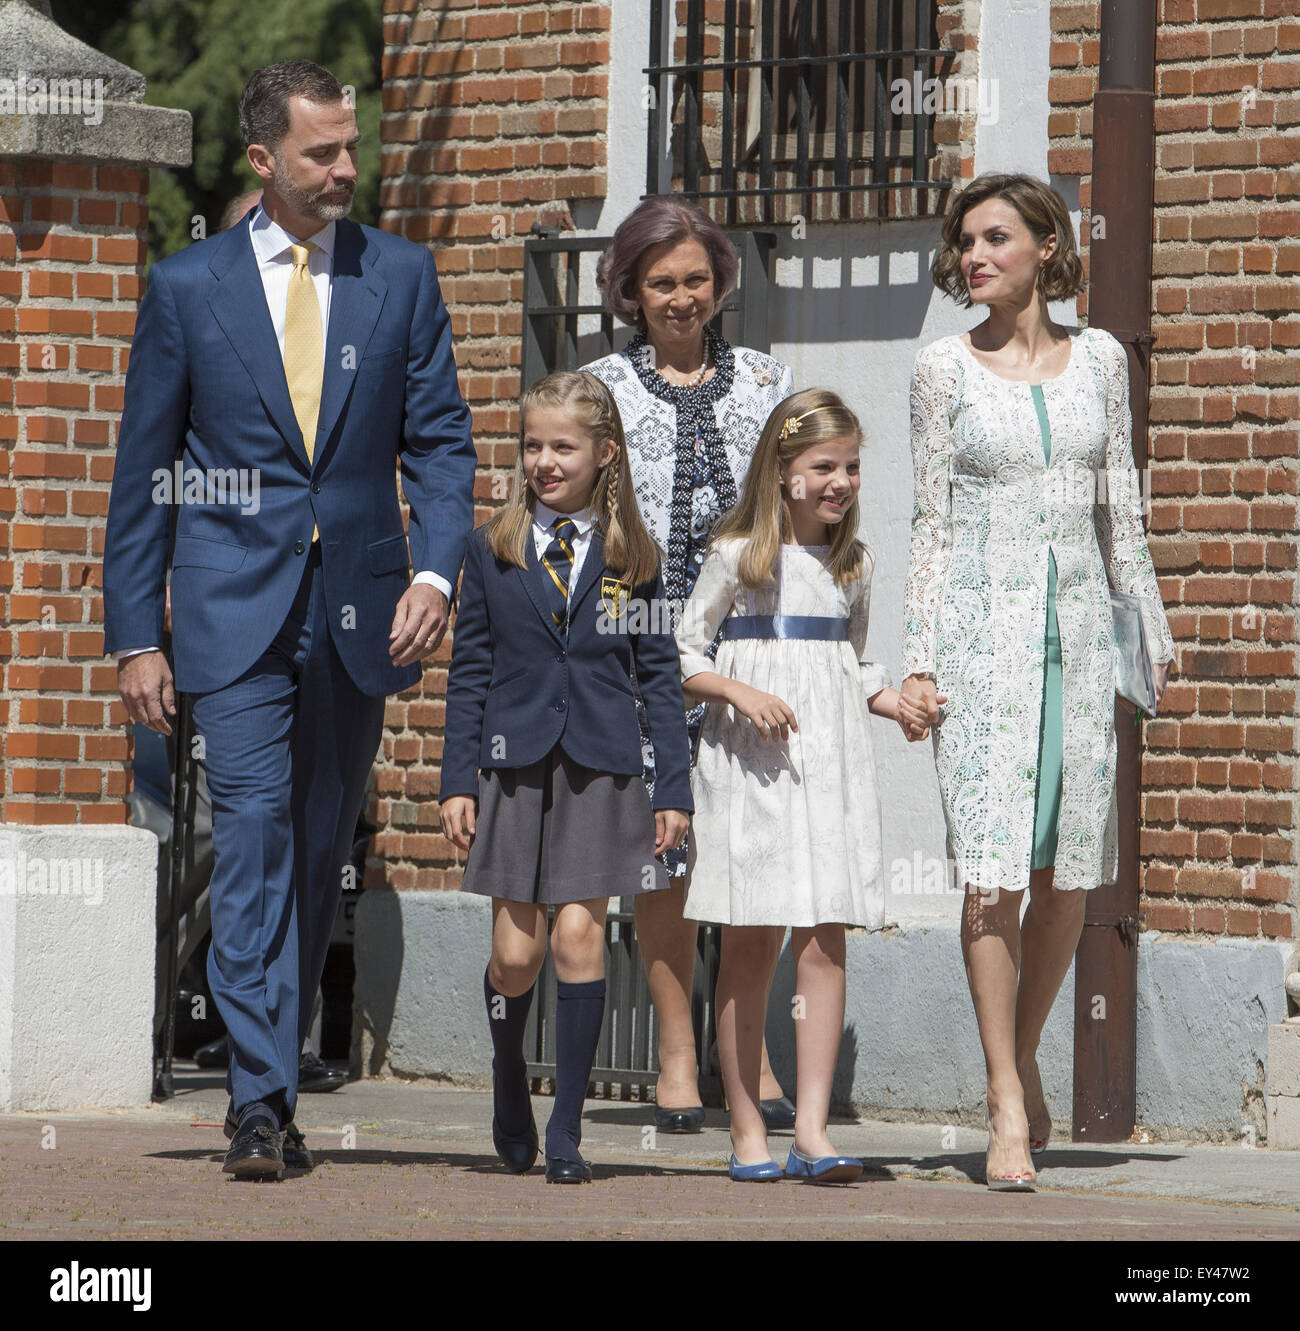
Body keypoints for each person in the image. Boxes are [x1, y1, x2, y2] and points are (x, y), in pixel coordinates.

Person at [104, 60, 477, 1180]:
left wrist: (437, 577)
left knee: (319, 846)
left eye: (351, 148)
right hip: (230, 607)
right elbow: (144, 475)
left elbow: (444, 444)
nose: (346, 171)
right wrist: (136, 634)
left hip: (361, 606)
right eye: (322, 153)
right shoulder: (186, 288)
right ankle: (259, 1096)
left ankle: (273, 1067)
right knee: (257, 829)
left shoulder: (399, 276)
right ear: (264, 159)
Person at [900, 173, 1175, 1190]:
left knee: (1067, 875)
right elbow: (925, 523)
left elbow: (1123, 511)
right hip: (979, 641)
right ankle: (1006, 1101)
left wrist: (1145, 631)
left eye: (996, 237)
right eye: (965, 241)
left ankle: (1016, 1059)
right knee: (991, 870)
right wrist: (920, 658)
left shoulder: (1101, 358)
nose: (975, 256)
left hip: (1078, 639)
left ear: (1047, 248)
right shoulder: (940, 370)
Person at [439, 371, 693, 1183]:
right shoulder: (491, 548)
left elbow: (658, 677)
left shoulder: (633, 558)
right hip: (513, 772)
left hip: (600, 770)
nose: (545, 461)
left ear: (603, 453)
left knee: (581, 937)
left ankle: (569, 1130)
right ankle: (509, 1080)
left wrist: (675, 790)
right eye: (533, 445)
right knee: (516, 957)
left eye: (563, 446)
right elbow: (468, 672)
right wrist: (456, 780)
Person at [583, 196, 796, 1131]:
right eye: (662, 282)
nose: (681, 297)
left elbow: (801, 505)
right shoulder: (601, 389)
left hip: (747, 642)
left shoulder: (766, 379)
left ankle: (742, 1052)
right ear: (631, 288)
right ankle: (676, 1050)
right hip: (639, 651)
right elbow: (576, 517)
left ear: (721, 283)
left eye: (697, 279)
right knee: (665, 853)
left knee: (754, 846)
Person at [675, 389, 925, 1181]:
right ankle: (747, 1122)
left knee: (825, 937)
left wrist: (900, 705)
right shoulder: (738, 555)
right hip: (753, 765)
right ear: (782, 473)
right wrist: (738, 691)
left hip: (830, 768)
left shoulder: (854, 563)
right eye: (823, 465)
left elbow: (854, 667)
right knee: (751, 939)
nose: (840, 480)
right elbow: (681, 653)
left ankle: (812, 1128)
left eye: (851, 465)